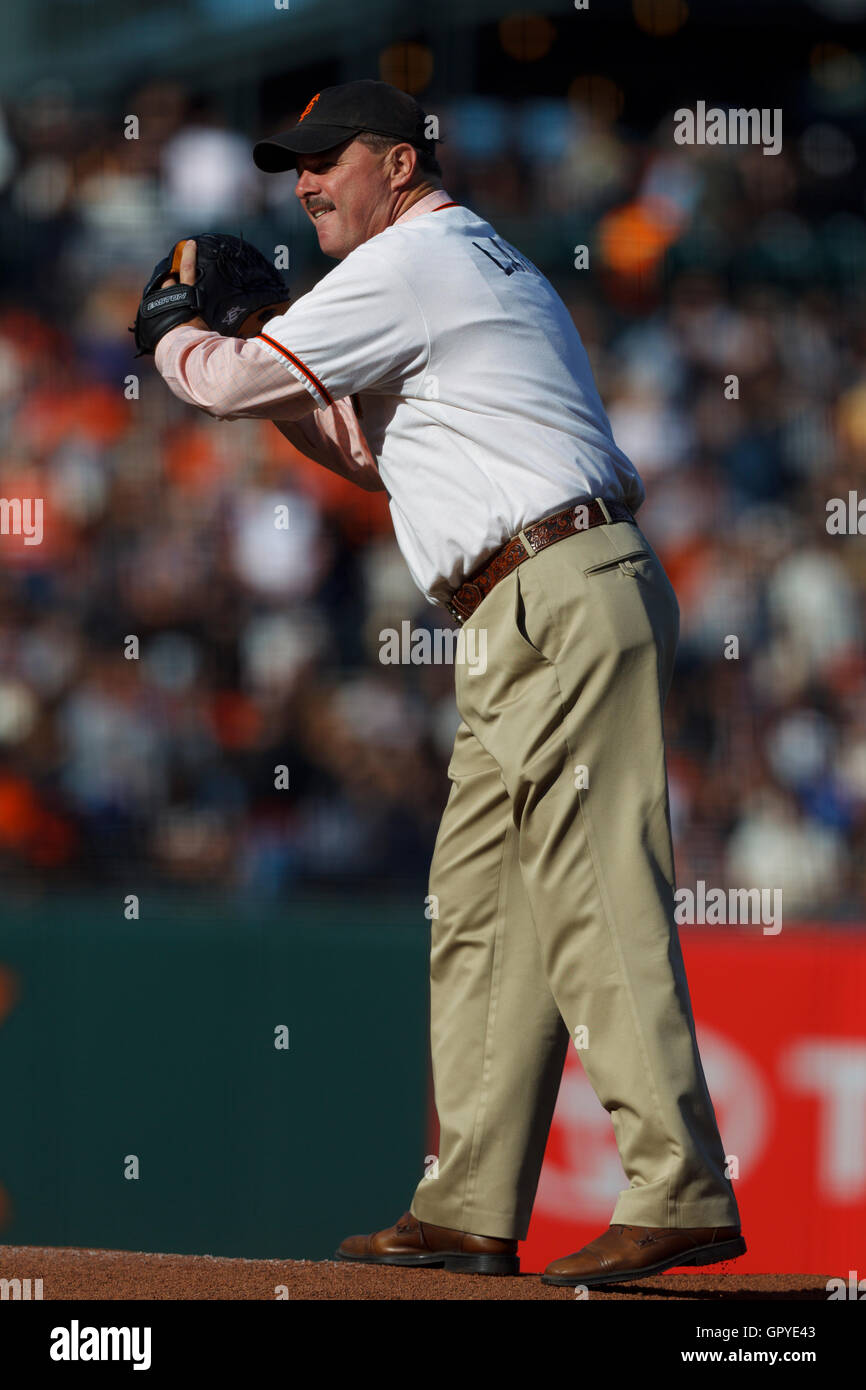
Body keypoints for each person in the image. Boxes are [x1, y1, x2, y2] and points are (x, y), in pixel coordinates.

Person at [153, 78, 744, 1286]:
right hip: (525, 598)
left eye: (330, 157)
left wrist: (170, 324)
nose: (306, 179)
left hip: (555, 591)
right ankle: (469, 1203)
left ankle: (677, 1186)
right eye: (294, 163)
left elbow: (215, 381)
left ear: (404, 166)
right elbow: (371, 458)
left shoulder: (413, 259)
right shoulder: (454, 262)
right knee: (482, 906)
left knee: (587, 888)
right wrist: (270, 342)